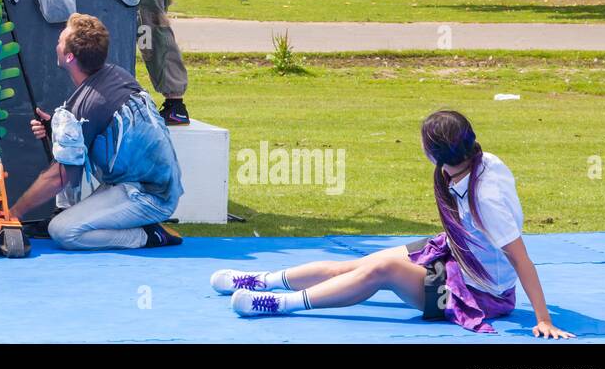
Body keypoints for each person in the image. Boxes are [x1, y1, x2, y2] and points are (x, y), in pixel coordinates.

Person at [211, 110, 575, 338]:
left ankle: (279, 304)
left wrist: (543, 319)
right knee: (358, 264)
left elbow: (521, 259)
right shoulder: (475, 160)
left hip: (480, 295)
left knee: (382, 270)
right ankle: (260, 280)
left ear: (435, 153)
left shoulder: (487, 199)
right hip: (455, 251)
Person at [8, 13, 184, 250]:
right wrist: (55, 129)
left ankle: (148, 236)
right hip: (138, 184)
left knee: (63, 231)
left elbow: (58, 177)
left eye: (60, 41)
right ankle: (64, 210)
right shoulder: (116, 75)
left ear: (69, 56)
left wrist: (13, 213)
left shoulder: (87, 105)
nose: (56, 45)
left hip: (149, 196)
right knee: (65, 142)